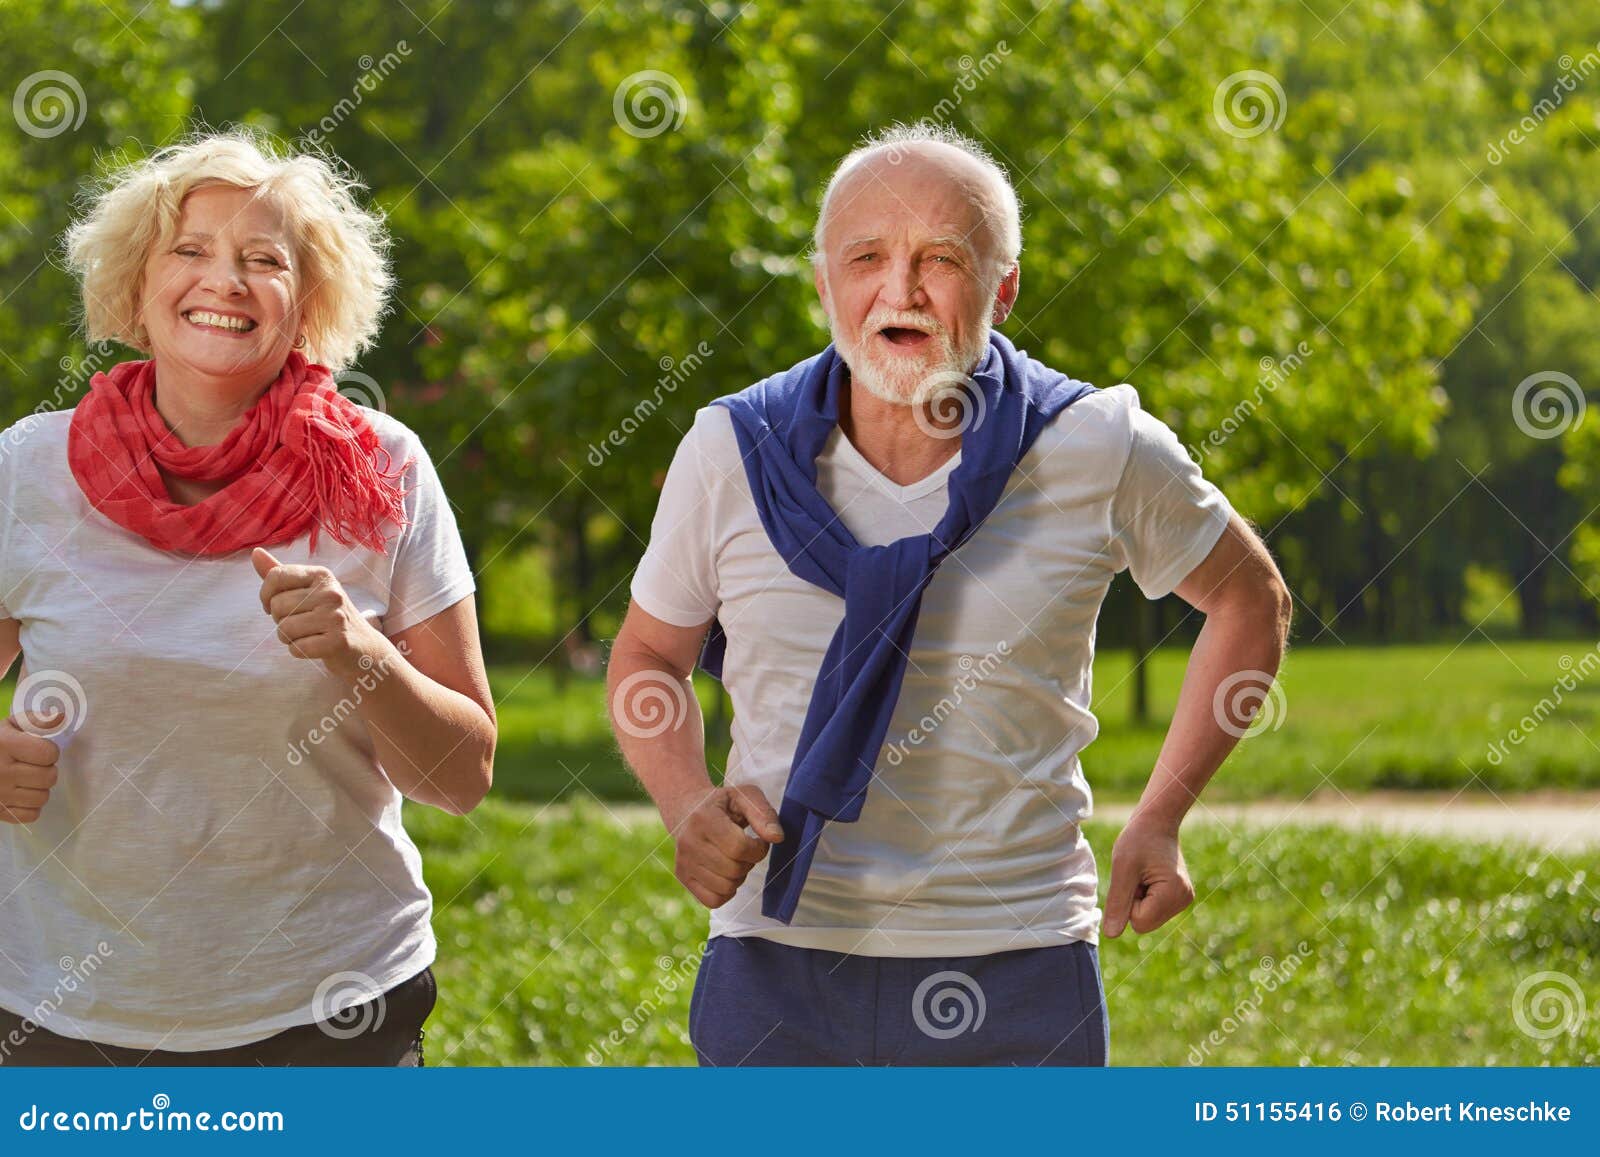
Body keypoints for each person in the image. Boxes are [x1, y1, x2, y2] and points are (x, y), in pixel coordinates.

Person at [608, 123, 1292, 1066]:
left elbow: (1252, 601)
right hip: (776, 960)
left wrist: (1160, 815)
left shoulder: (1095, 443)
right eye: (866, 258)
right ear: (824, 285)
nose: (901, 290)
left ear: (1002, 289)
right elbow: (649, 654)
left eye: (942, 259)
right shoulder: (730, 450)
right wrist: (685, 801)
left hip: (1019, 964)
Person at [0, 130, 496, 1065]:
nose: (223, 281)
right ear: (136, 285)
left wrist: (363, 656)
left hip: (331, 1009)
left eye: (263, 261)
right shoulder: (28, 467)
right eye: (189, 250)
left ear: (306, 302)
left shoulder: (379, 467)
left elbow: (463, 775)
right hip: (64, 1010)